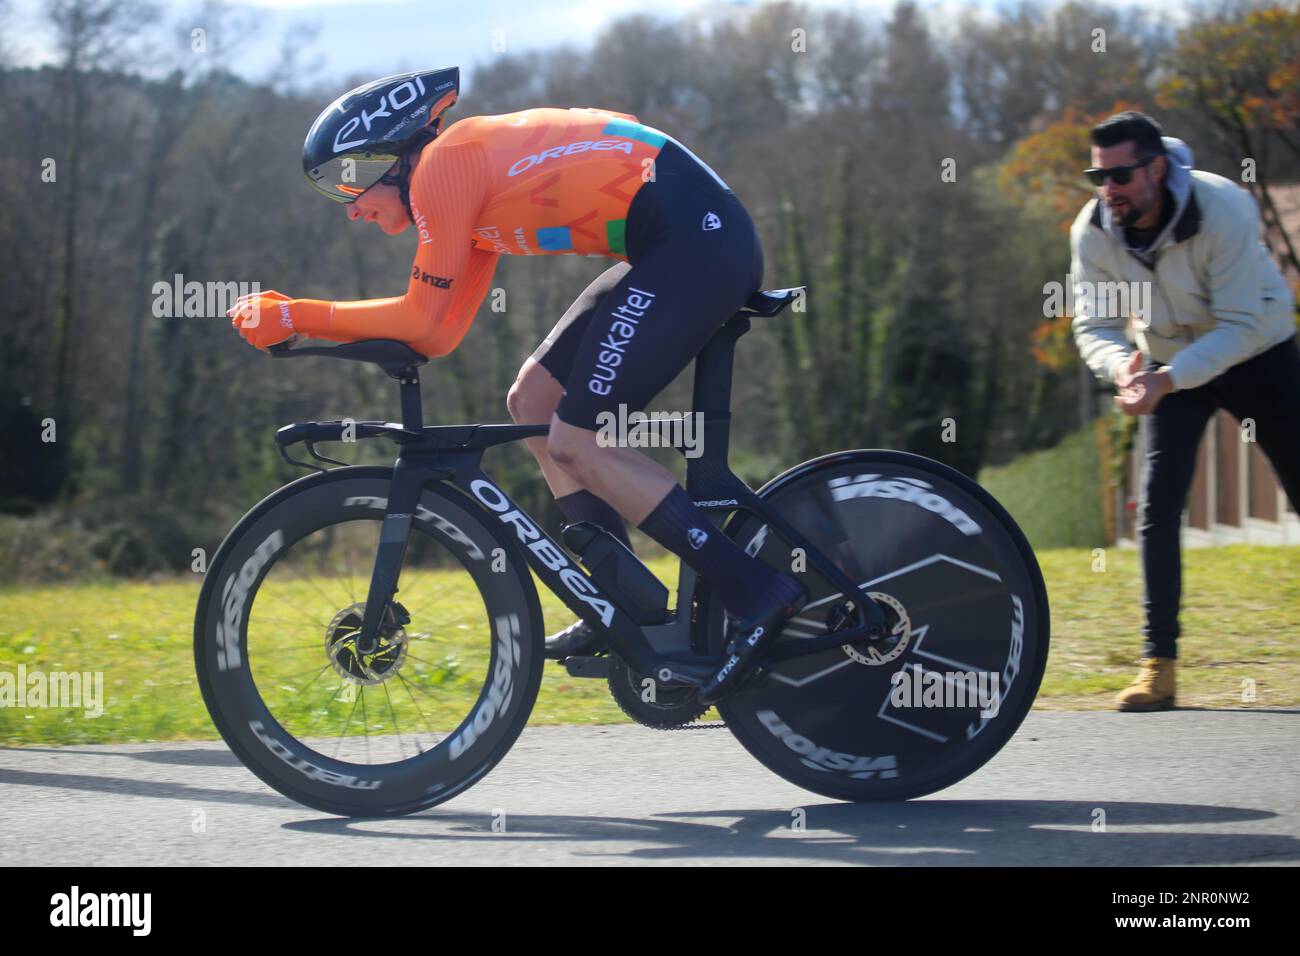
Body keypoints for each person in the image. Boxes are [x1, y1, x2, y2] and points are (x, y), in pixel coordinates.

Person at [226, 68, 807, 704]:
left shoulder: (445, 166)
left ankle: (755, 590)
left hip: (695, 245)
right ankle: (617, 599)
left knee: (577, 442)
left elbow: (419, 318)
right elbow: (438, 334)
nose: (350, 207)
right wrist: (306, 330)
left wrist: (299, 313)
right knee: (533, 401)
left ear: (386, 158)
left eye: (347, 183)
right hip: (673, 245)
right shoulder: (457, 195)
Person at [1070, 111, 1300, 712]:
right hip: (1168, 362)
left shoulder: (1222, 208)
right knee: (1157, 509)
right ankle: (1160, 667)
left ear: (1156, 167)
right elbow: (1092, 324)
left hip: (1257, 350)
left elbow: (1241, 325)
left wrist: (1168, 379)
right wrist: (1123, 366)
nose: (1109, 189)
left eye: (1120, 175)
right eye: (1099, 176)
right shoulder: (1092, 231)